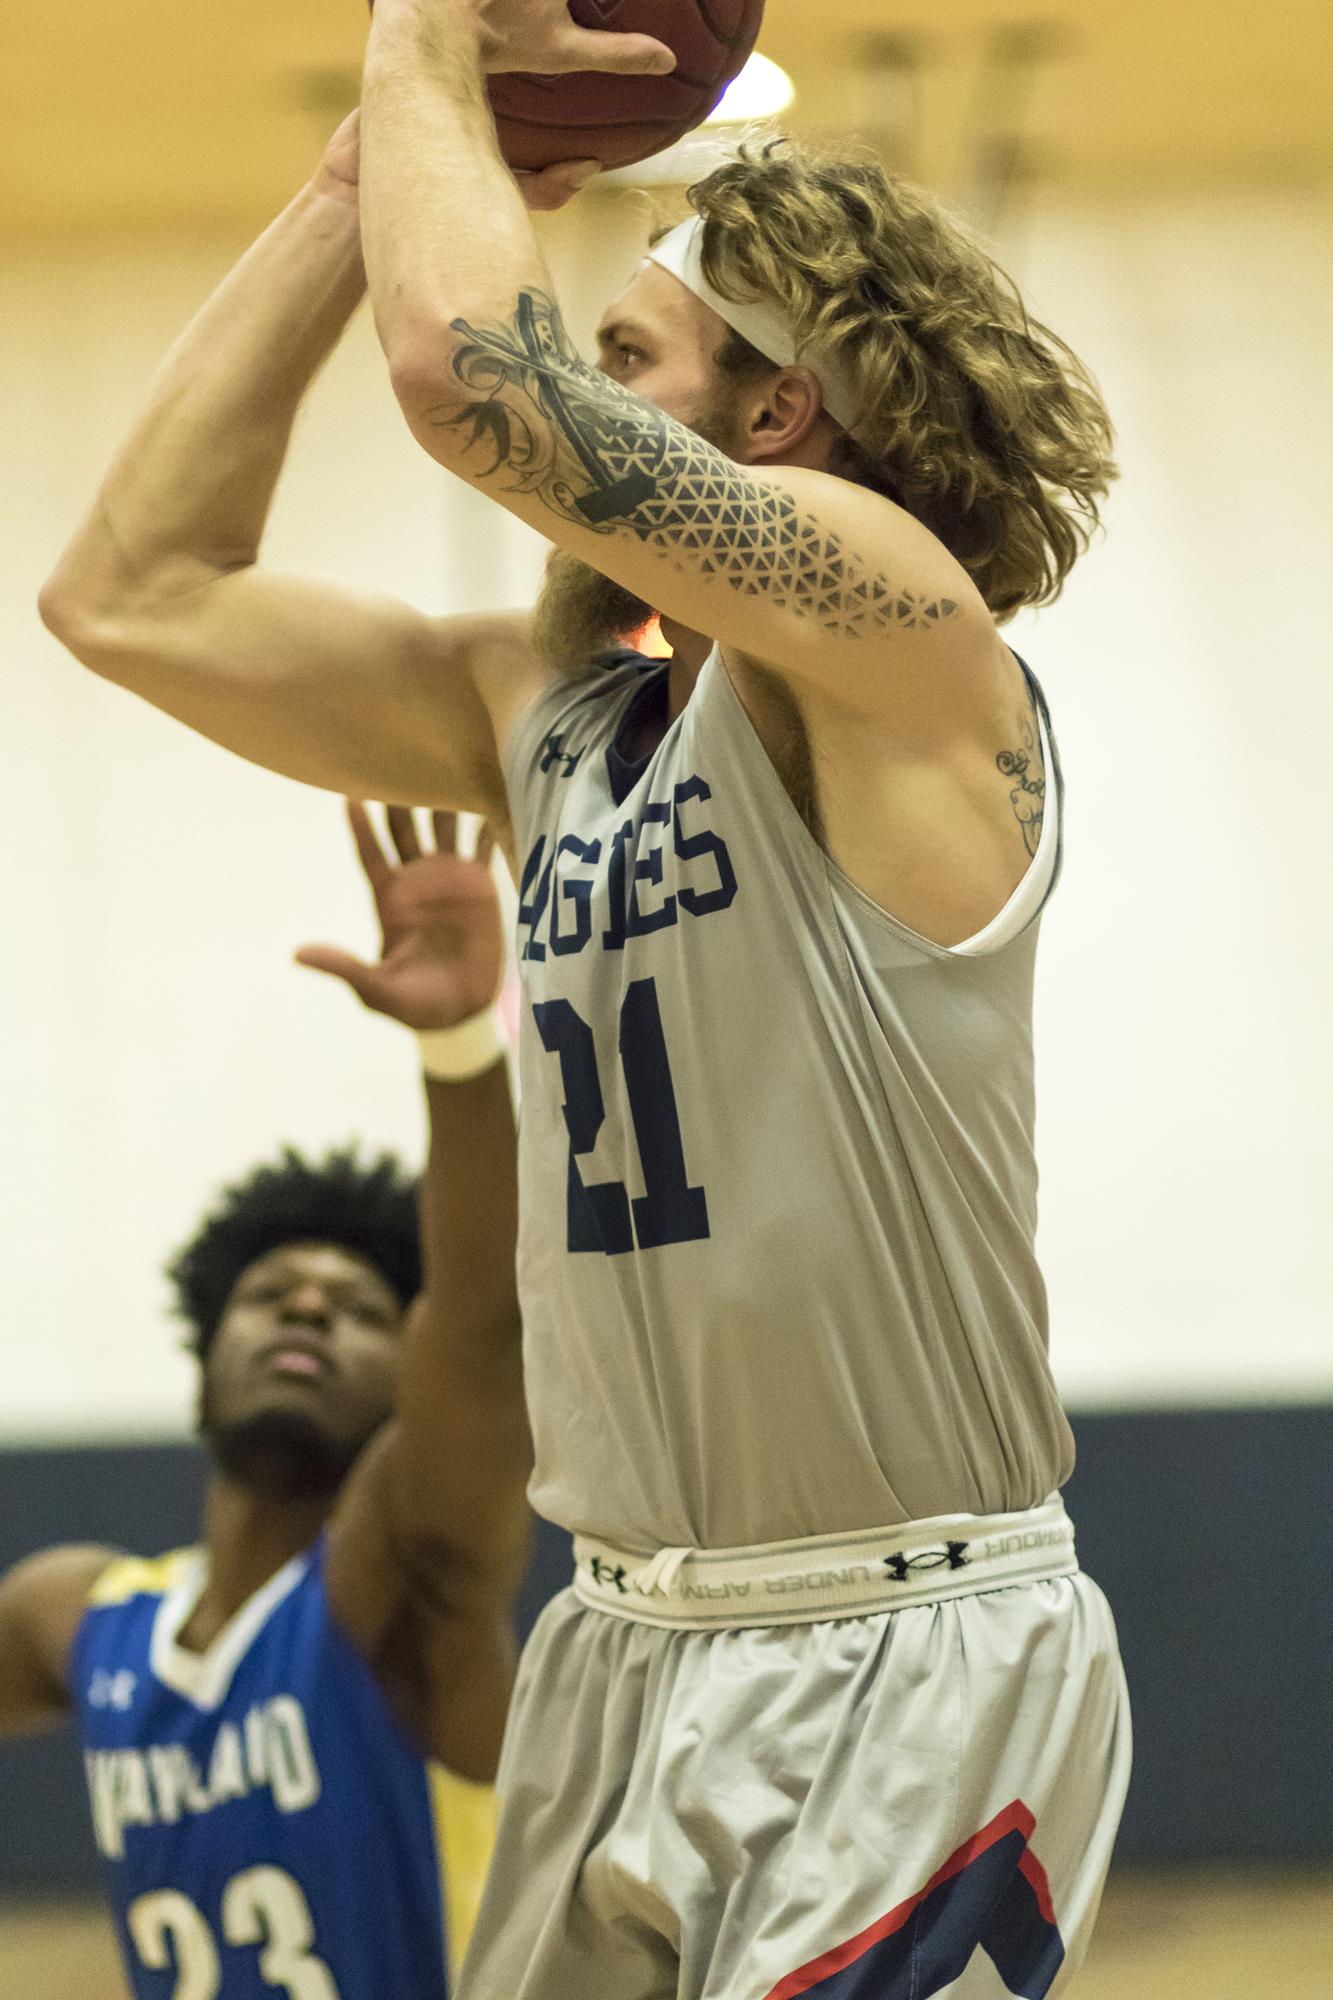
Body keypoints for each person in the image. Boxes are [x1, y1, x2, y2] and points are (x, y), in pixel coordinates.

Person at [40, 0, 1135, 1991]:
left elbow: (467, 381)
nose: (581, 394)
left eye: (626, 360)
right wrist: (348, 185)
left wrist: (431, 41)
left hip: (903, 1643)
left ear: (780, 414)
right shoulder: (548, 716)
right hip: (617, 1641)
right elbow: (132, 592)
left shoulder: (899, 631)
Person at [0, 806, 526, 1999]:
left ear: (410, 1380)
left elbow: (486, 1334)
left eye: (353, 1306)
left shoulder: (396, 1579)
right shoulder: (76, 1615)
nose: (304, 1312)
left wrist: (457, 1052)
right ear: (204, 1351)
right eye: (271, 1294)